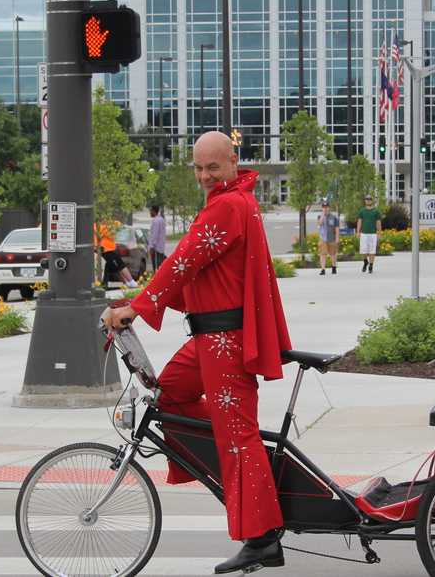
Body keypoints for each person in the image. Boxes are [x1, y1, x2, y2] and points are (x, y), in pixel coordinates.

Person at [102, 131, 291, 574]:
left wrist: (136, 307)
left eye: (213, 167)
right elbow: (197, 272)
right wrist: (139, 302)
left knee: (238, 435)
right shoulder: (233, 200)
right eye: (199, 168)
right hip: (210, 339)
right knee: (170, 394)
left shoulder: (228, 205)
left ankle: (262, 538)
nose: (205, 176)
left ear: (233, 162)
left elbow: (182, 262)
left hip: (224, 342)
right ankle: (233, 470)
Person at [95, 221, 138, 288]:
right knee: (119, 265)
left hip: (106, 249)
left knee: (116, 267)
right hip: (106, 249)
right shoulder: (103, 225)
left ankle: (128, 282)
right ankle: (130, 282)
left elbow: (113, 233)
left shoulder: (108, 224)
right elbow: (110, 234)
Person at [356, 194, 381, 274]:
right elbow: (359, 221)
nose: (368, 200)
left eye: (370, 199)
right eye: (367, 199)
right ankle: (365, 261)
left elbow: (378, 222)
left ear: (372, 201)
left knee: (372, 250)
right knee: (363, 251)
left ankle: (371, 265)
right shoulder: (362, 211)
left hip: (373, 234)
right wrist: (358, 232)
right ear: (365, 201)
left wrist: (379, 232)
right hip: (364, 234)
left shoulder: (376, 211)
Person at [316, 199, 339, 276]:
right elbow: (319, 224)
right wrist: (323, 215)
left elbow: (337, 228)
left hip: (331, 238)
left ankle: (334, 267)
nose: (325, 209)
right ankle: (323, 269)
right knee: (323, 254)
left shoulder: (334, 217)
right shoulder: (320, 216)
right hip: (323, 238)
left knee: (333, 254)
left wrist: (337, 238)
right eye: (324, 207)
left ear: (329, 208)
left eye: (326, 207)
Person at [148, 205, 167, 272]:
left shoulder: (155, 221)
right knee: (160, 266)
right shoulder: (161, 220)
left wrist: (152, 247)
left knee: (156, 267)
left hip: (156, 248)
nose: (150, 212)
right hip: (161, 247)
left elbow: (154, 235)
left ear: (154, 211)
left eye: (150, 211)